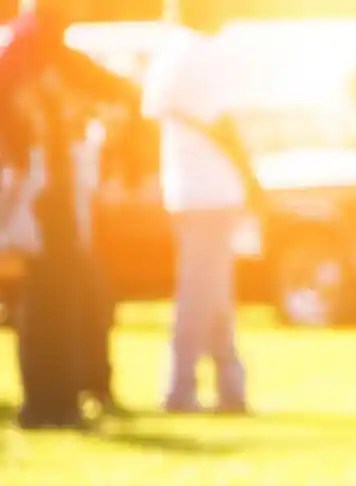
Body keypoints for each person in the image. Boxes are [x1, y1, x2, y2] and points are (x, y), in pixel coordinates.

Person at [0, 0, 138, 429]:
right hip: (41, 188)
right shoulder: (32, 48)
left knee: (57, 298)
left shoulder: (29, 45)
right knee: (49, 302)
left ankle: (60, 397)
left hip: (44, 186)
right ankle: (49, 403)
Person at [142, 1, 250, 414]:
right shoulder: (197, 53)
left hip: (188, 188)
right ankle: (180, 388)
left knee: (214, 294)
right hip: (211, 189)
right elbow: (221, 124)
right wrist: (251, 178)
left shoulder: (169, 52)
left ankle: (230, 386)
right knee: (200, 294)